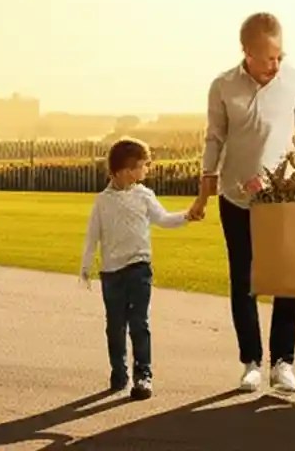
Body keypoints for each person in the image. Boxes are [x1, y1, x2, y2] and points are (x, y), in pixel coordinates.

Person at [190, 12, 295, 394]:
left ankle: (283, 362)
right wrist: (204, 190)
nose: (275, 64)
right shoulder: (223, 86)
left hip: (282, 196)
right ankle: (251, 362)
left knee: (287, 278)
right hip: (236, 195)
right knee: (244, 279)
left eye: (279, 56)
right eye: (267, 58)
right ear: (247, 52)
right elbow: (215, 137)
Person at [80, 137, 203, 401]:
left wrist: (187, 216)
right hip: (112, 273)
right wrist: (85, 266)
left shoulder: (144, 195)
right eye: (143, 165)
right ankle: (118, 372)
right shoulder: (103, 201)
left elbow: (164, 219)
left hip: (139, 268)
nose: (146, 170)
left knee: (139, 324)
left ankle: (143, 376)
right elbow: (93, 235)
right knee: (115, 326)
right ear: (126, 169)